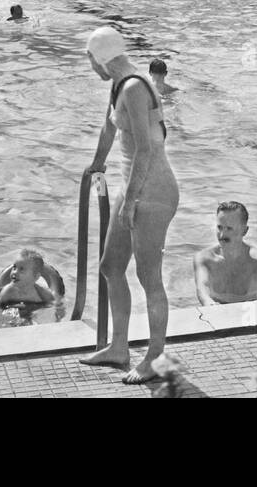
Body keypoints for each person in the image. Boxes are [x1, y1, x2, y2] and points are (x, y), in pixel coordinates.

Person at [80, 26, 180, 384]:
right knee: (111, 265)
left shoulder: (136, 88)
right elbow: (110, 130)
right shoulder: (119, 83)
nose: (91, 67)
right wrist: (96, 165)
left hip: (153, 190)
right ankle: (119, 347)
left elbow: (146, 148)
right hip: (134, 185)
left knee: (148, 276)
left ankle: (155, 356)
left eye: (90, 59)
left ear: (100, 57)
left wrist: (132, 199)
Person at [193, 201, 257, 305]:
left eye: (229, 228)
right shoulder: (204, 259)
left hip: (249, 310)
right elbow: (202, 291)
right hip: (216, 310)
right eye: (219, 227)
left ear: (244, 231)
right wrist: (211, 306)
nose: (222, 234)